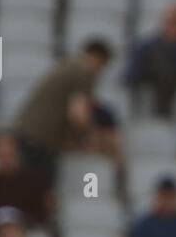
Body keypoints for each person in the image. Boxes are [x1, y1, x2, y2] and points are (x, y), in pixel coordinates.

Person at [13, 38, 114, 180]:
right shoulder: (83, 73)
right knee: (40, 189)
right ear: (98, 59)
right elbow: (78, 115)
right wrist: (93, 138)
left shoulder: (67, 66)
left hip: (28, 133)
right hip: (42, 140)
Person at [123, 3, 176, 118]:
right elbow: (131, 75)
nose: (173, 27)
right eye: (170, 22)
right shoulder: (146, 47)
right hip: (151, 87)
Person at [0, 130, 52, 227]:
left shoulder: (35, 180)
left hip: (31, 232)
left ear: (17, 152)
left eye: (9, 155)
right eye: (2, 156)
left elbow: (44, 213)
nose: (6, 160)